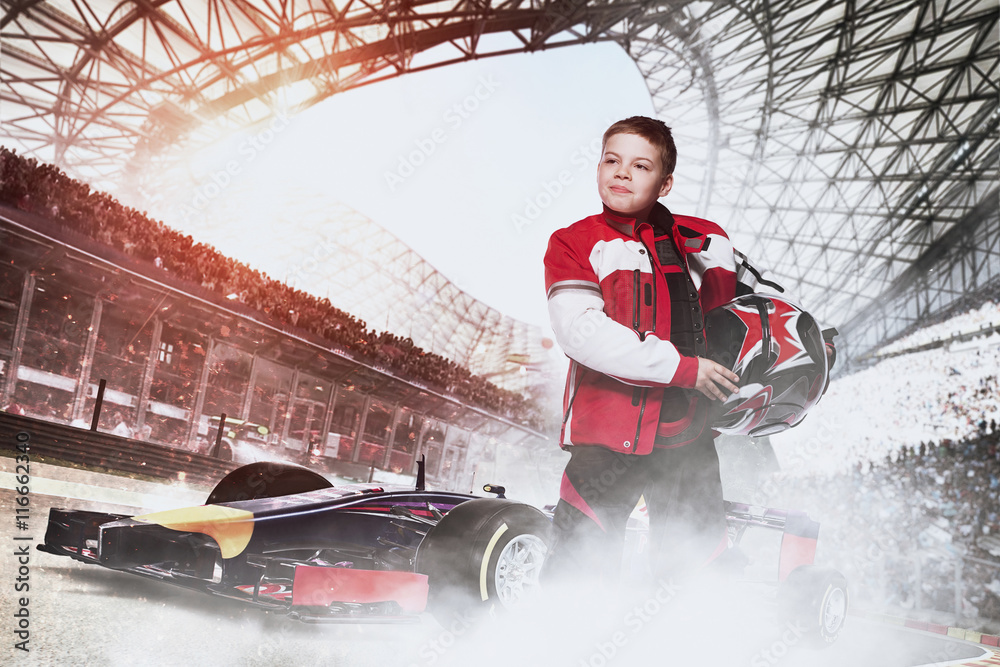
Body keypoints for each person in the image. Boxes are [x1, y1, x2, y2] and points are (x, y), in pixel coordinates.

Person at [542, 116, 834, 589]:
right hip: (606, 445)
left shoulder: (710, 240)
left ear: (666, 182)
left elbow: (763, 310)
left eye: (640, 165)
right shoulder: (573, 243)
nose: (621, 173)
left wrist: (814, 347)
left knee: (699, 584)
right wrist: (684, 370)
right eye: (611, 160)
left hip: (691, 440)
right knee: (575, 578)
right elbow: (581, 333)